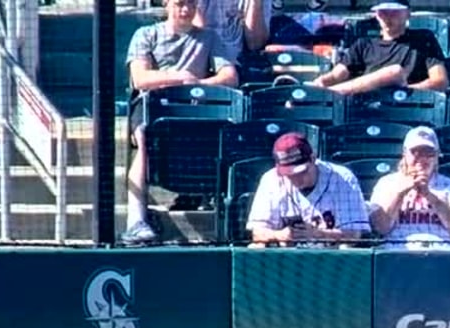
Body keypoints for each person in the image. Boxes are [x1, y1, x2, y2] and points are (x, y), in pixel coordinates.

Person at [123, 0, 239, 245]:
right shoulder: (146, 34)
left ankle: (222, 218)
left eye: (190, 4)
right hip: (153, 107)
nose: (185, 10)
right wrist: (177, 77)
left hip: (194, 107)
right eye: (179, 4)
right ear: (166, 4)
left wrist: (197, 85)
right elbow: (140, 78)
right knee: (144, 138)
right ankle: (136, 220)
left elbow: (230, 77)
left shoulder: (209, 38)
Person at [246, 132, 370, 246]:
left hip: (332, 259)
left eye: (301, 172)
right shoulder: (271, 180)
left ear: (312, 159)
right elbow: (257, 232)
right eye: (289, 174)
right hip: (285, 259)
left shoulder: (342, 178)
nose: (295, 178)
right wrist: (279, 235)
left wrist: (318, 234)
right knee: (255, 247)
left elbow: (354, 234)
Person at [313, 0, 449, 94]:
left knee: (395, 72)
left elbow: (440, 81)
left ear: (408, 13)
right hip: (366, 104)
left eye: (394, 12)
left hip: (405, 104)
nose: (388, 17)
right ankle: (321, 93)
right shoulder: (363, 45)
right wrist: (320, 82)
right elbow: (338, 74)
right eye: (383, 12)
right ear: (376, 15)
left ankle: (333, 93)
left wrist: (403, 92)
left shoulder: (423, 39)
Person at [368, 126, 450, 247]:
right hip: (397, 249)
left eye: (428, 153)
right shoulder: (387, 183)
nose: (422, 158)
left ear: (437, 156)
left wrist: (430, 196)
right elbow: (380, 228)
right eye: (415, 152)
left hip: (442, 249)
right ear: (405, 154)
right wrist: (401, 193)